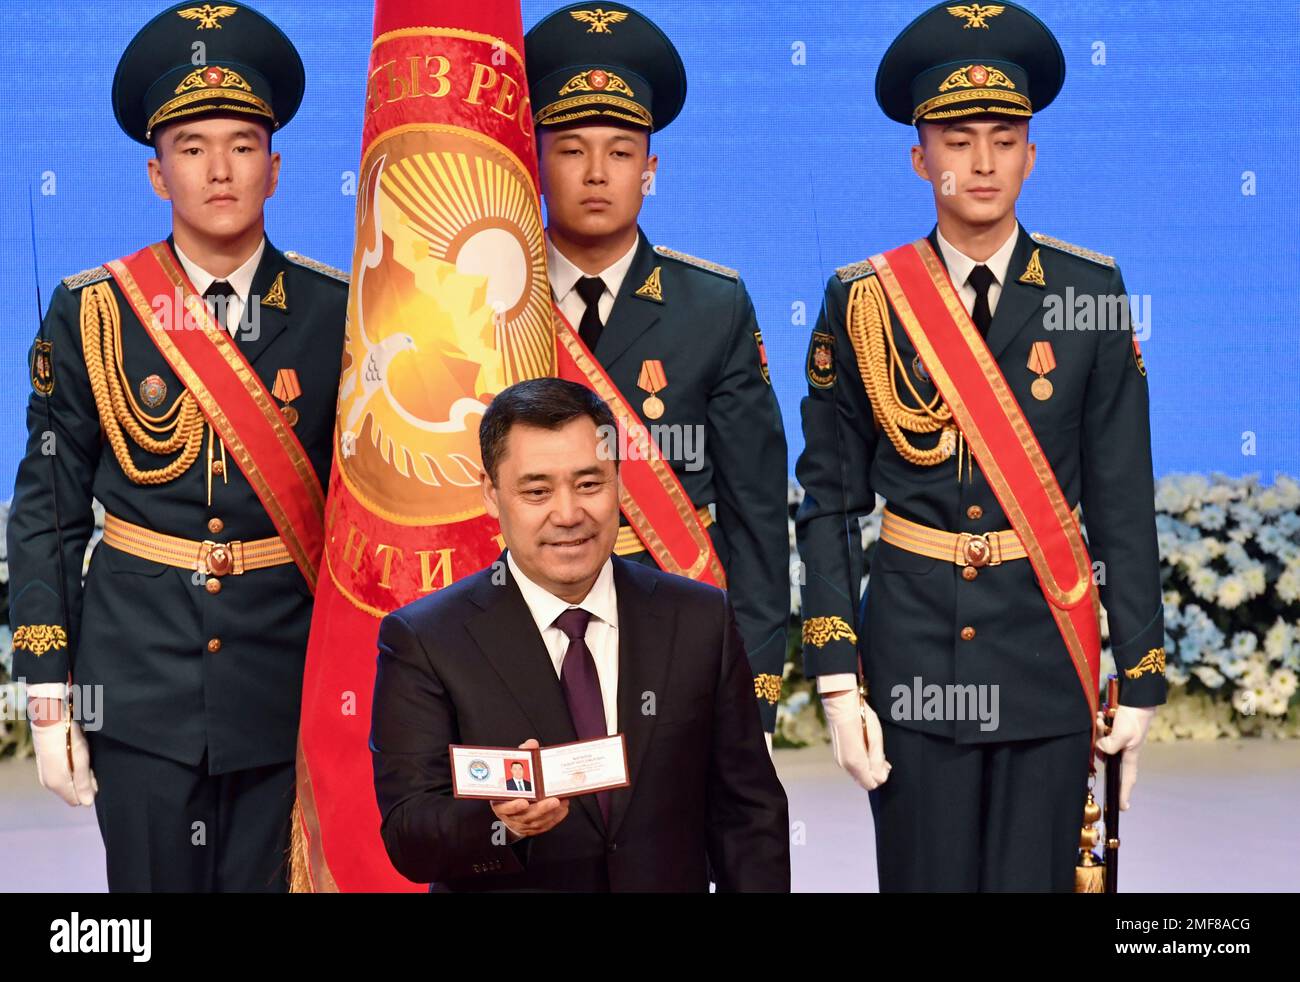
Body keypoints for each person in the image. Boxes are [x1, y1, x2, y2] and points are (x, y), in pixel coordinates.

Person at [795, 0, 1166, 891]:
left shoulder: (1091, 291)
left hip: (1045, 660)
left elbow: (1121, 490)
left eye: (1005, 136)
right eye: (957, 139)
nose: (983, 161)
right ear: (919, 155)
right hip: (914, 659)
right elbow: (830, 501)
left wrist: (1143, 673)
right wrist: (838, 678)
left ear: (1032, 153)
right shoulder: (864, 300)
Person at [8, 1, 348, 891]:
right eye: (192, 147)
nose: (219, 170)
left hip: (287, 689)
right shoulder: (94, 312)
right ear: (158, 174)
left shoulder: (341, 313)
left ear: (275, 167)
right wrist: (47, 695)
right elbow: (46, 511)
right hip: (139, 693)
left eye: (241, 145)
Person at [370, 378, 790, 892]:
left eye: (589, 484)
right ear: (490, 493)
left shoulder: (699, 618)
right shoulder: (426, 639)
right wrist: (502, 826)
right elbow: (409, 836)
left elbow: (749, 816)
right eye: (537, 491)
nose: (568, 515)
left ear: (617, 481)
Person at [524, 3, 791, 738]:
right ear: (537, 159)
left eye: (621, 150)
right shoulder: (484, 300)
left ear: (651, 167)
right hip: (518, 633)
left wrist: (757, 680)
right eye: (572, 149)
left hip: (671, 629)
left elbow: (755, 512)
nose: (598, 173)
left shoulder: (713, 304)